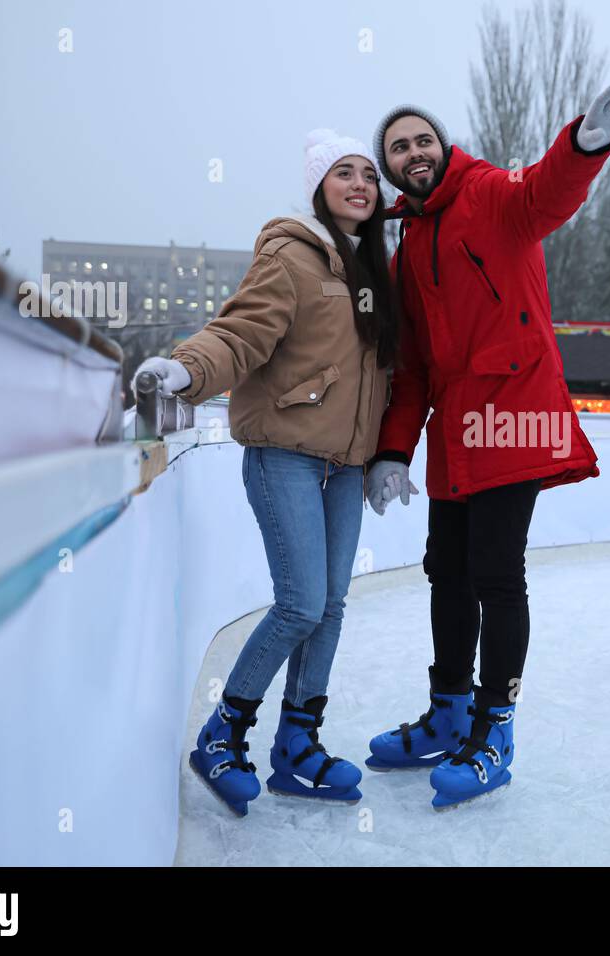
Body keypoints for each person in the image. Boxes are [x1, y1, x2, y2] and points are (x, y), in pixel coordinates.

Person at [361, 87, 610, 809]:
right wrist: (394, 450)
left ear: (443, 147)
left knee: (494, 572)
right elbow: (416, 367)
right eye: (399, 147)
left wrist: (583, 142)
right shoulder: (407, 245)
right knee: (444, 569)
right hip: (456, 428)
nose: (414, 153)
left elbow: (548, 193)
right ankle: (448, 712)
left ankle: (495, 730)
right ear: (390, 168)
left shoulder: (489, 191)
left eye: (423, 140)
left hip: (515, 412)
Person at [131, 129, 399, 814]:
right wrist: (186, 369)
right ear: (319, 185)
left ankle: (298, 748)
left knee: (332, 608)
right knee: (300, 603)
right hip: (283, 452)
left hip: (344, 466)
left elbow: (381, 375)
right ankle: (224, 734)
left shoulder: (372, 273)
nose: (361, 185)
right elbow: (240, 334)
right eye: (345, 173)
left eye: (369, 175)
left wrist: (383, 454)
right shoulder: (290, 257)